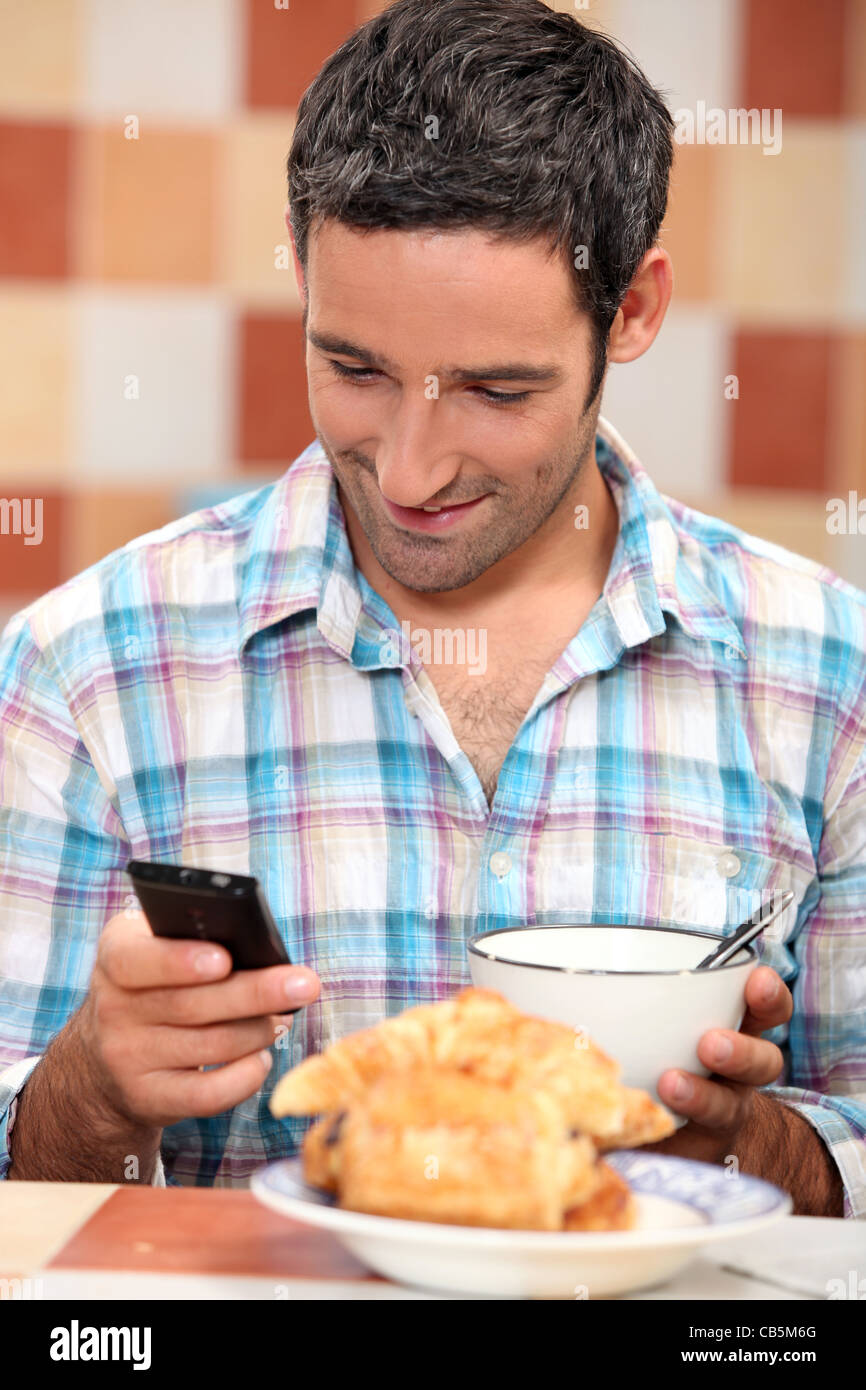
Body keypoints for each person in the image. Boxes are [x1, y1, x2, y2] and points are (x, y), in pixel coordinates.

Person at [1, 0, 863, 1216]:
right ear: (300, 271)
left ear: (630, 311)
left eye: (495, 389)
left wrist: (754, 1147)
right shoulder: (86, 669)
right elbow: (22, 1192)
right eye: (352, 367)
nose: (408, 470)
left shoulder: (827, 675)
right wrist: (94, 1088)